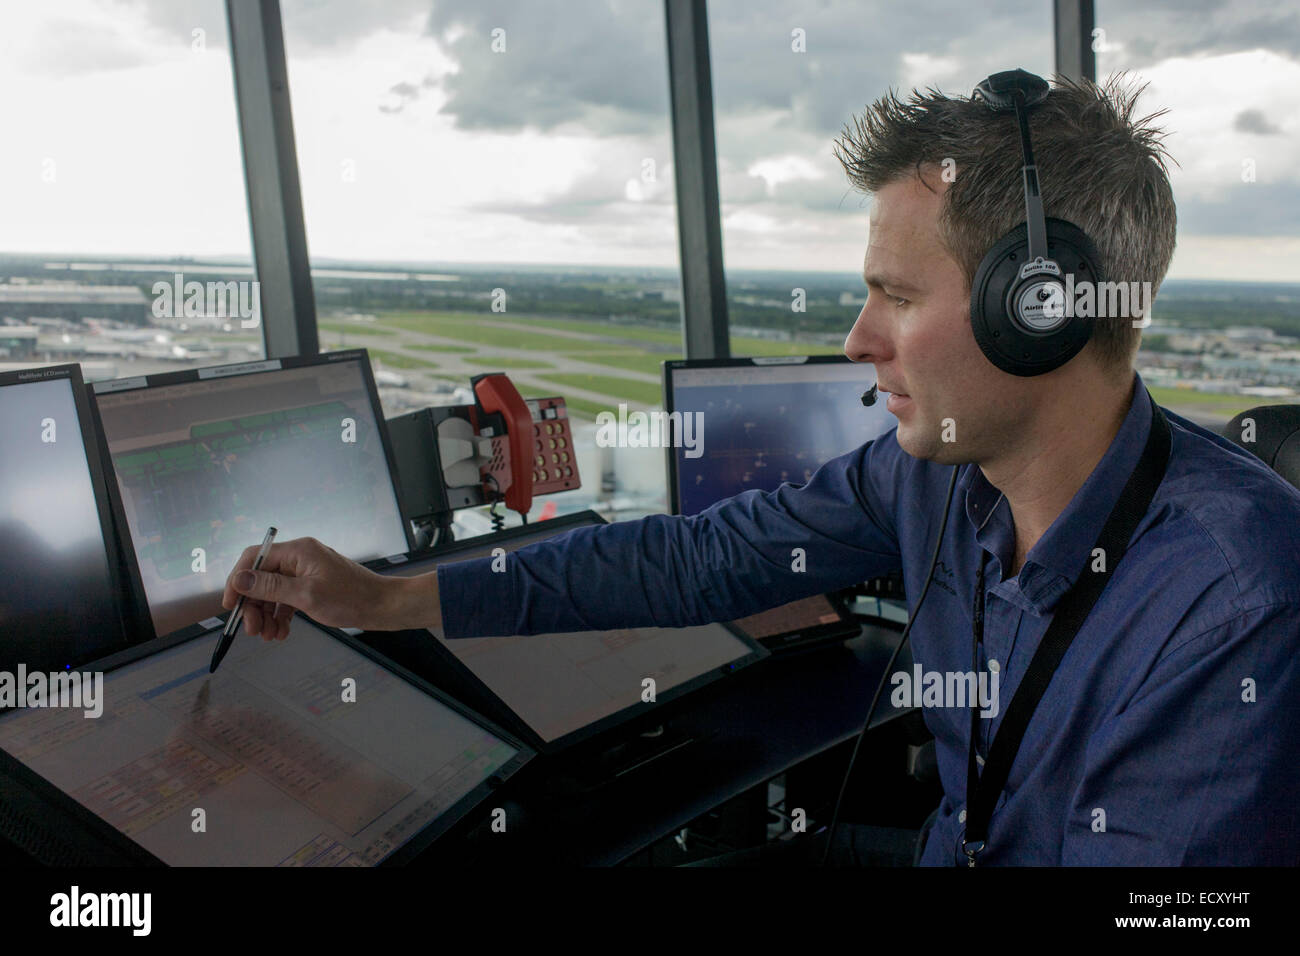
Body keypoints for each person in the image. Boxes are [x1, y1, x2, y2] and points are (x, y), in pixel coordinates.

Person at [224, 72, 1300, 865]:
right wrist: (388, 597)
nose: (855, 339)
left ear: (1039, 309)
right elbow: (693, 561)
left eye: (896, 293)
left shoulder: (1234, 600)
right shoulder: (929, 479)